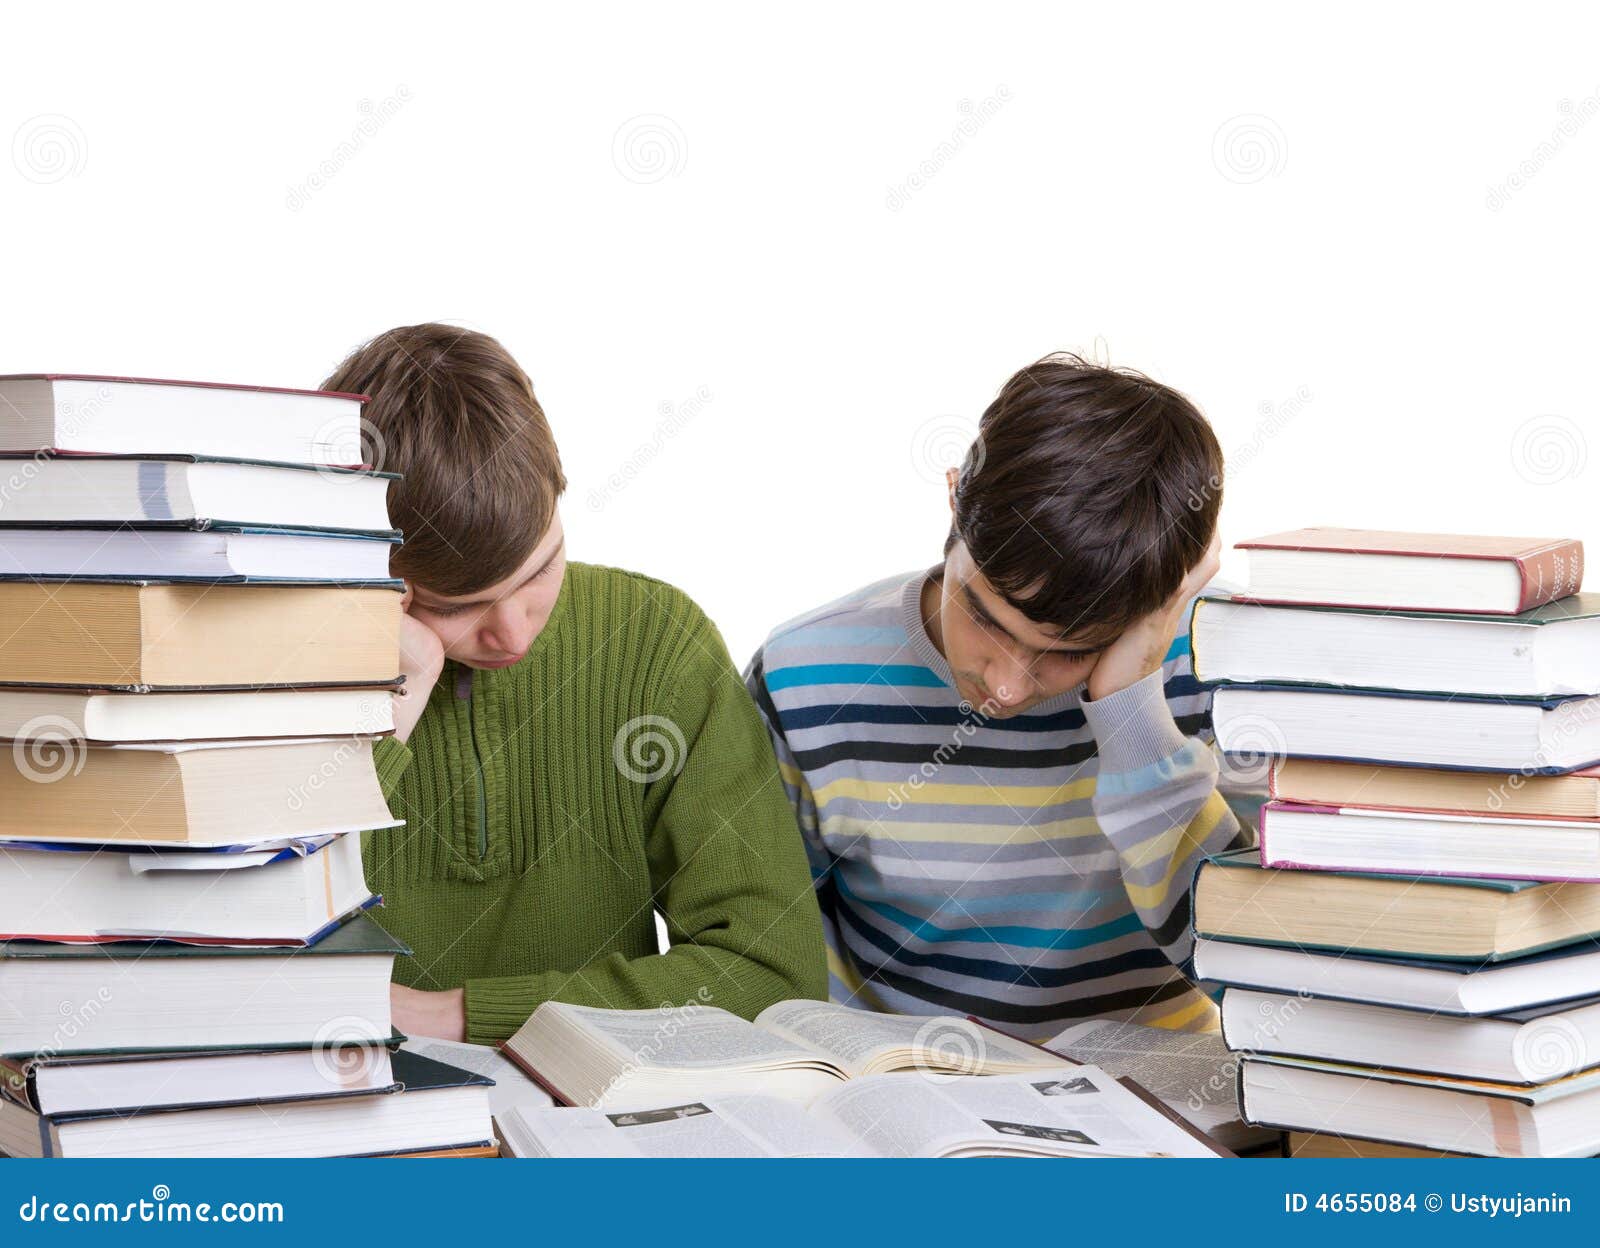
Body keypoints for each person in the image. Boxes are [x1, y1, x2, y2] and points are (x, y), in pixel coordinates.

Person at [325, 323, 826, 1044]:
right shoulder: (270, 664)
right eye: (457, 607)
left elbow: (773, 976)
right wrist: (393, 699)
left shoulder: (657, 641)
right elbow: (236, 961)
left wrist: (454, 1016)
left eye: (539, 571)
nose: (514, 634)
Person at [744, 353, 1250, 1040]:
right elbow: (777, 949)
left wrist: (1132, 711)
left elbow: (1256, 974)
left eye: (1069, 650)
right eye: (984, 616)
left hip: (1163, 1091)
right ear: (955, 497)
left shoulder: (1228, 672)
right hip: (896, 1079)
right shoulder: (800, 676)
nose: (1007, 686)